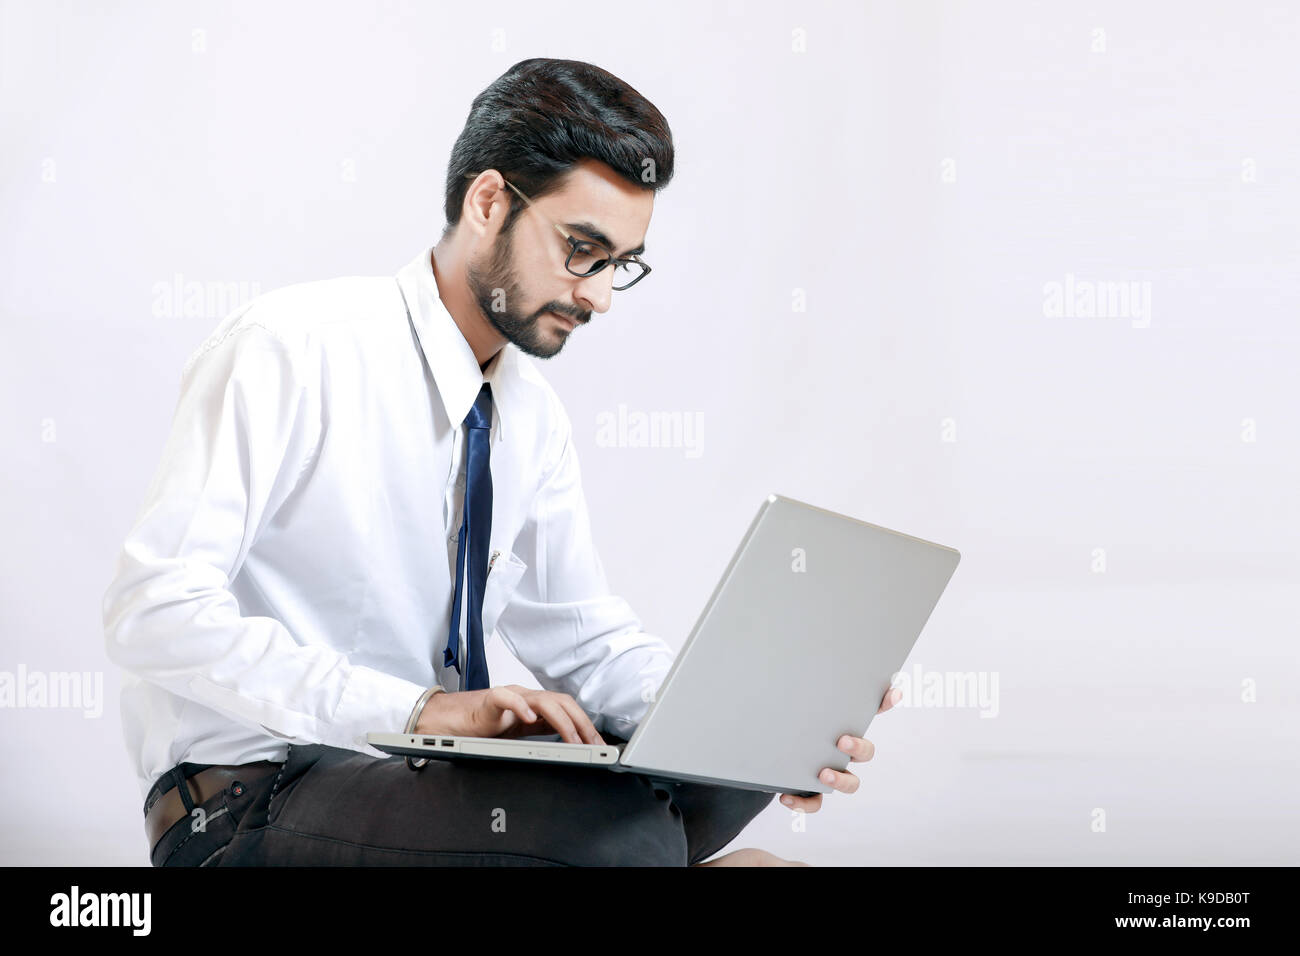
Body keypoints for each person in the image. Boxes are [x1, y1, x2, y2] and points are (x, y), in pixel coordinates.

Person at [102, 57, 892, 867]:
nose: (600, 297)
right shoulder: (288, 350)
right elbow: (153, 611)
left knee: (724, 769)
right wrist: (420, 710)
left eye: (620, 263)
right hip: (251, 798)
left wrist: (760, 718)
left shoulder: (529, 413)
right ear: (488, 203)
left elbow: (583, 639)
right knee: (617, 834)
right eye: (582, 249)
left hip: (418, 788)